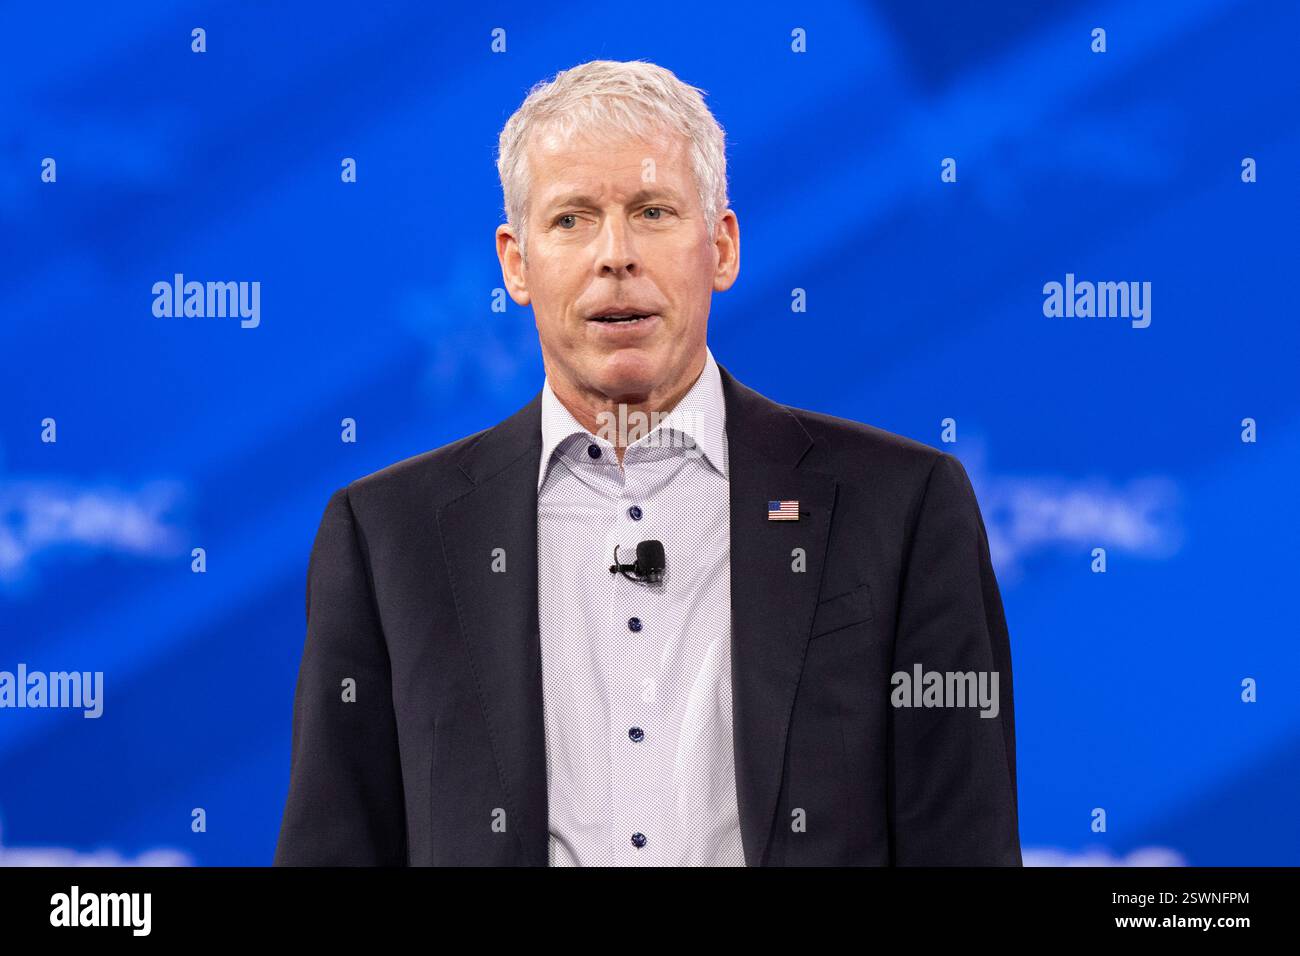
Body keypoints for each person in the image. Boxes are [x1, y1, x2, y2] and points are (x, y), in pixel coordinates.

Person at [274, 59, 1021, 866]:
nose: (615, 255)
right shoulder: (388, 538)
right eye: (571, 220)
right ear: (516, 264)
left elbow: (962, 845)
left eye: (653, 211)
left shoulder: (901, 508)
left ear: (722, 247)